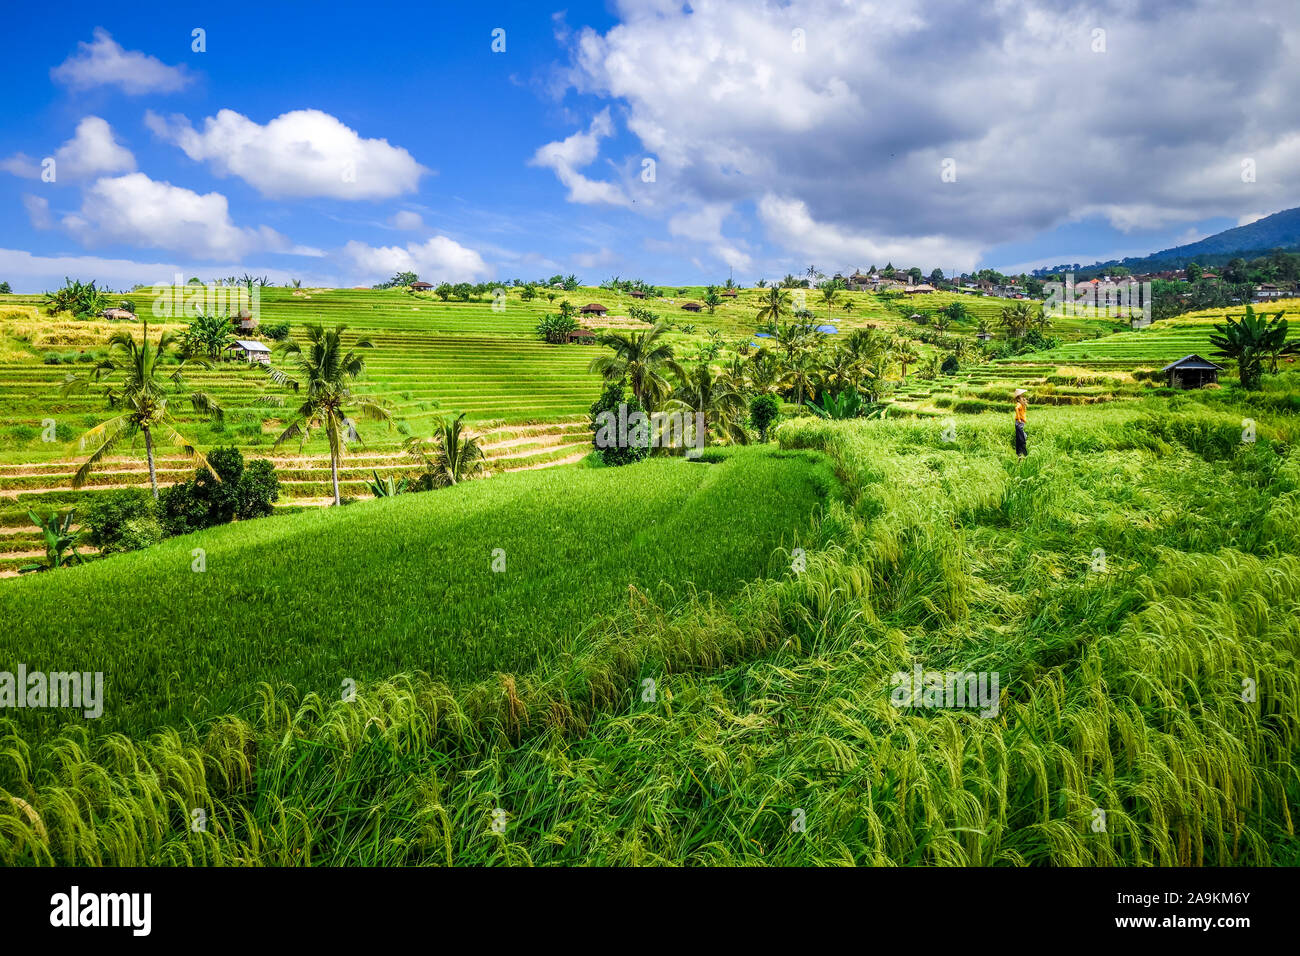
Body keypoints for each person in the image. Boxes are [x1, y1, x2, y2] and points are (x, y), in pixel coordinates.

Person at [1013, 388, 1028, 458]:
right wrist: (1019, 419)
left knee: (1021, 438)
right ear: (1018, 399)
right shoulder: (1019, 404)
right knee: (1021, 440)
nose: (1023, 397)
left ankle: (1019, 454)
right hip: (1019, 423)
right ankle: (1023, 454)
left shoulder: (1022, 404)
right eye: (1021, 396)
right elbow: (1016, 408)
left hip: (1021, 423)